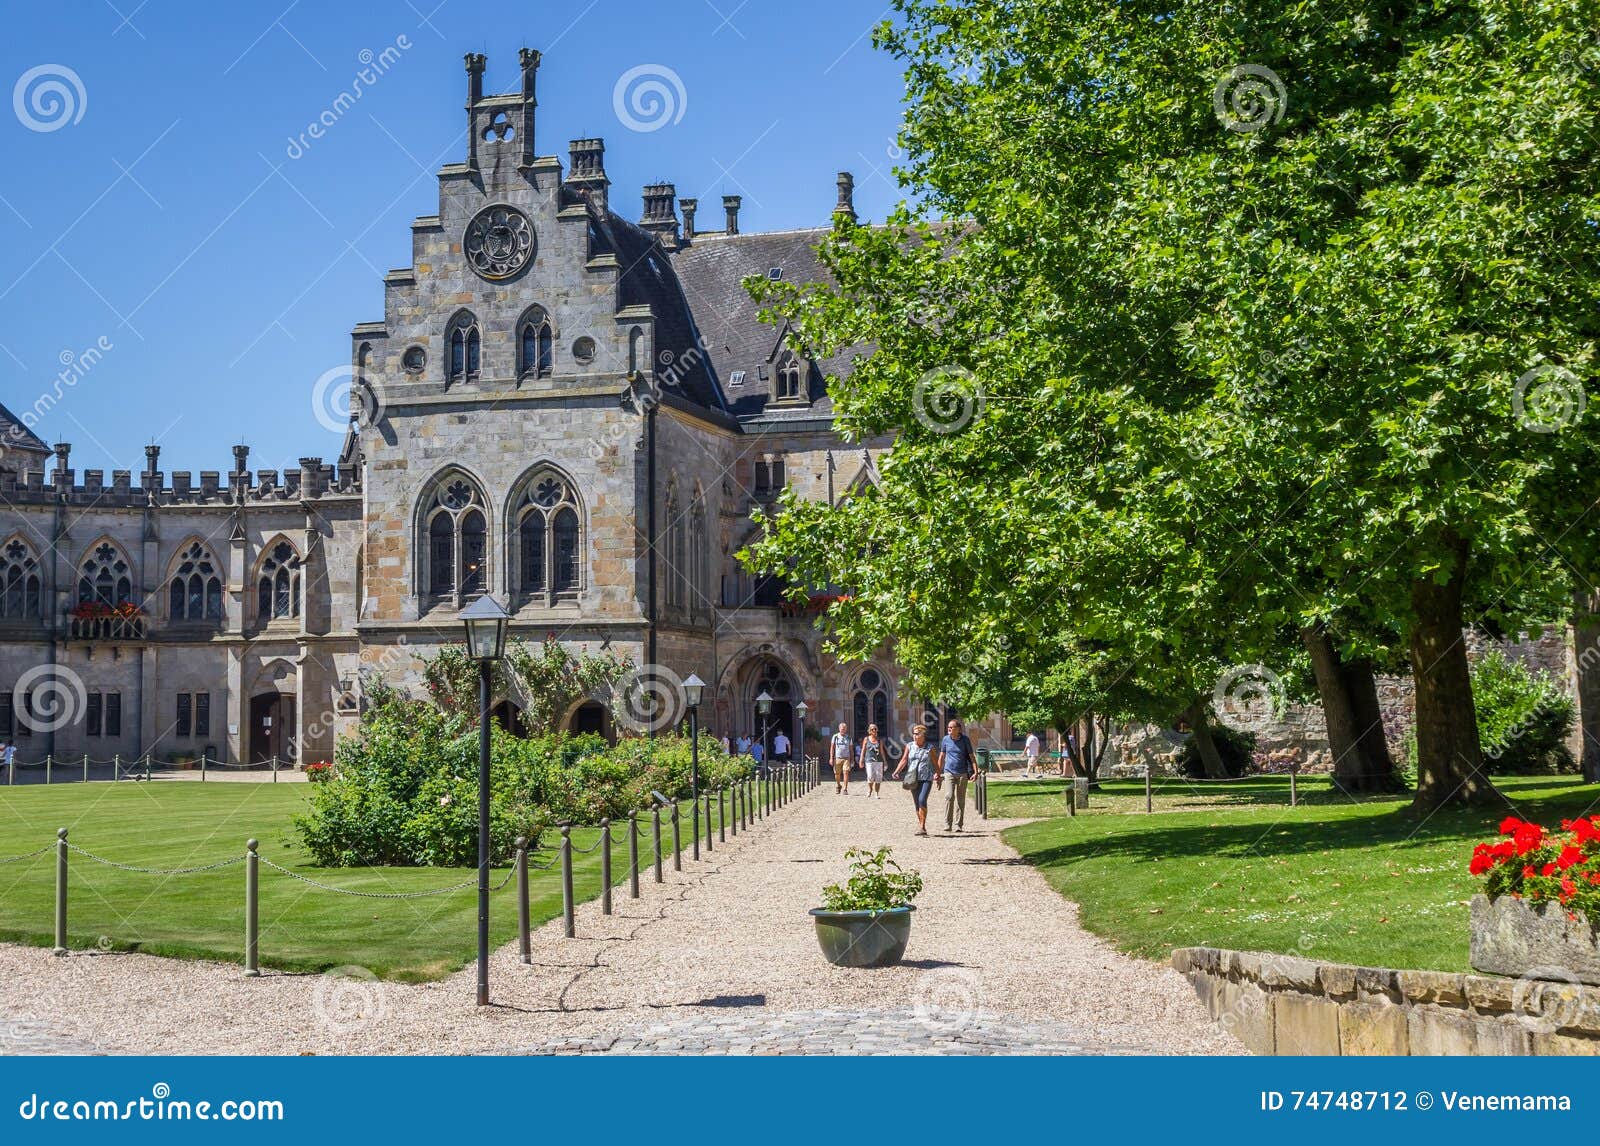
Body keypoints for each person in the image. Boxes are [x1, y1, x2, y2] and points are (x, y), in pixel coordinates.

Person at [892, 723, 937, 835]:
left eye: (916, 734)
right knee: (917, 803)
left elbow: (935, 763)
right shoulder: (909, 746)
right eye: (913, 734)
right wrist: (896, 771)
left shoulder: (930, 748)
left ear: (923, 735)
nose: (914, 735)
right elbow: (904, 760)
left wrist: (938, 775)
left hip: (926, 777)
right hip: (913, 778)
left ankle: (921, 826)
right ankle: (922, 826)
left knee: (922, 800)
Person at [939, 718, 977, 833]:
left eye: (952, 727)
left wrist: (976, 772)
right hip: (949, 772)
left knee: (961, 800)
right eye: (948, 727)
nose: (949, 729)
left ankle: (959, 824)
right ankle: (947, 823)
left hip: (962, 773)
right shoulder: (945, 739)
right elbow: (941, 756)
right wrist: (937, 772)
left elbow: (971, 757)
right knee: (949, 796)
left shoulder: (965, 740)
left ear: (958, 729)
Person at [859, 723, 886, 798]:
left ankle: (876, 793)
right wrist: (861, 760)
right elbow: (863, 750)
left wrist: (885, 762)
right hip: (869, 761)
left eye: (875, 729)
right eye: (872, 729)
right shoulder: (866, 739)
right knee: (870, 776)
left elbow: (882, 751)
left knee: (878, 778)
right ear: (869, 731)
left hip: (879, 761)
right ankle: (870, 789)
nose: (874, 730)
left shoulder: (879, 740)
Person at [830, 722, 852, 794]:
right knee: (837, 774)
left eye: (844, 729)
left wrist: (852, 759)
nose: (843, 730)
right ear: (839, 729)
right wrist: (831, 758)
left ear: (846, 729)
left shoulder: (848, 737)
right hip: (837, 758)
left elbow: (851, 749)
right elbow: (832, 748)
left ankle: (845, 789)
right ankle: (838, 785)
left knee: (846, 772)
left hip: (846, 758)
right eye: (842, 729)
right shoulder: (835, 737)